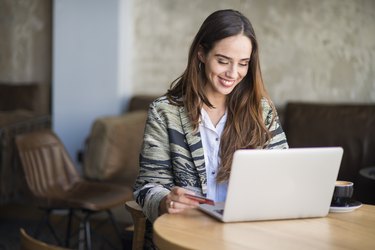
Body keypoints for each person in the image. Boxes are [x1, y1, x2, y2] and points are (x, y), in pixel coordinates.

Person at [133, 9, 288, 248]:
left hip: (247, 235)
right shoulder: (165, 112)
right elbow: (147, 186)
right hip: (186, 234)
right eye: (223, 61)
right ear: (201, 53)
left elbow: (284, 174)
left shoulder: (262, 110)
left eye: (243, 64)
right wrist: (166, 201)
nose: (233, 73)